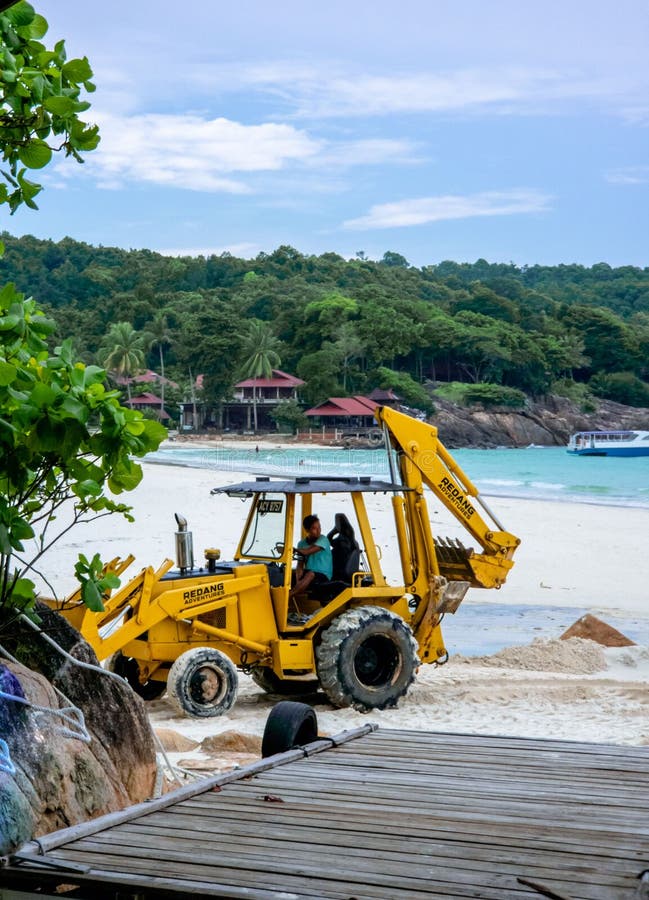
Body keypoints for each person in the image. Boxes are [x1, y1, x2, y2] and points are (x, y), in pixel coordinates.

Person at [289, 514, 333, 598]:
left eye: (319, 527)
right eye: (314, 528)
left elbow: (307, 551)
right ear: (307, 530)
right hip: (308, 574)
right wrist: (299, 580)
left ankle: (288, 596)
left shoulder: (323, 540)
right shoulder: (301, 544)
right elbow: (300, 564)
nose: (318, 530)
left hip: (323, 575)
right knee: (287, 574)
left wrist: (294, 550)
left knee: (310, 574)